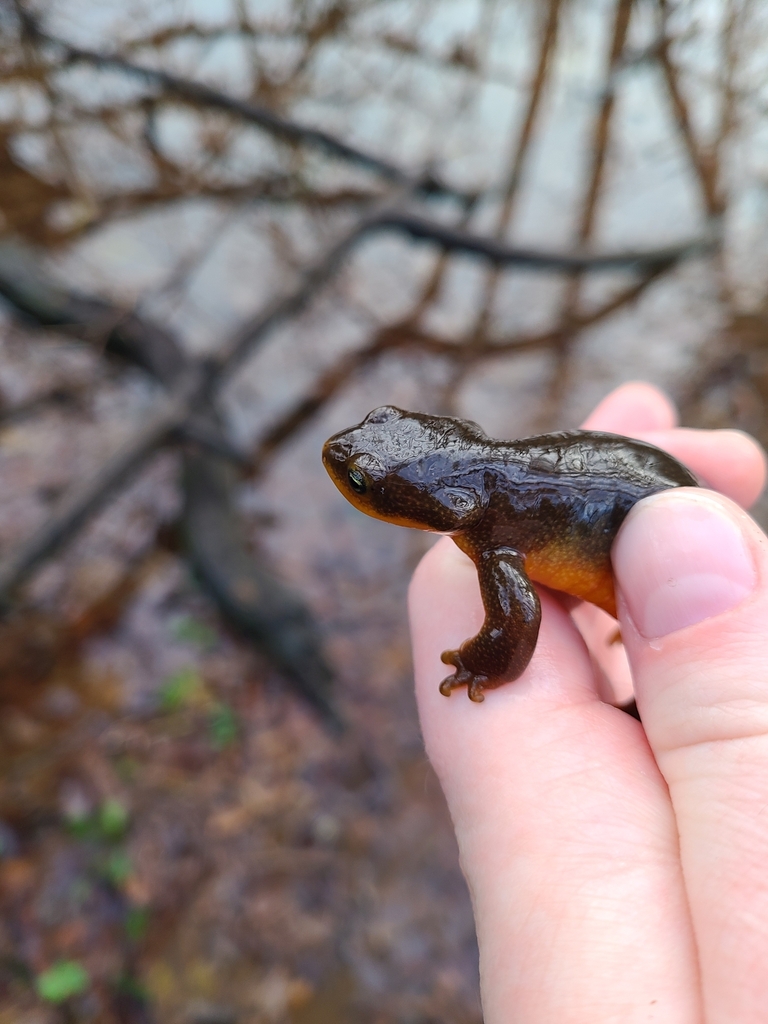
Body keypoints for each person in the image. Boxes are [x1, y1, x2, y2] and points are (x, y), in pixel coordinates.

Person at [408, 382, 768, 1024]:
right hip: (639, 518)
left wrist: (480, 661)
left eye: (361, 480)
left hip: (659, 527)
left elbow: (514, 632)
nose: (344, 464)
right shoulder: (491, 517)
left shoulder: (493, 530)